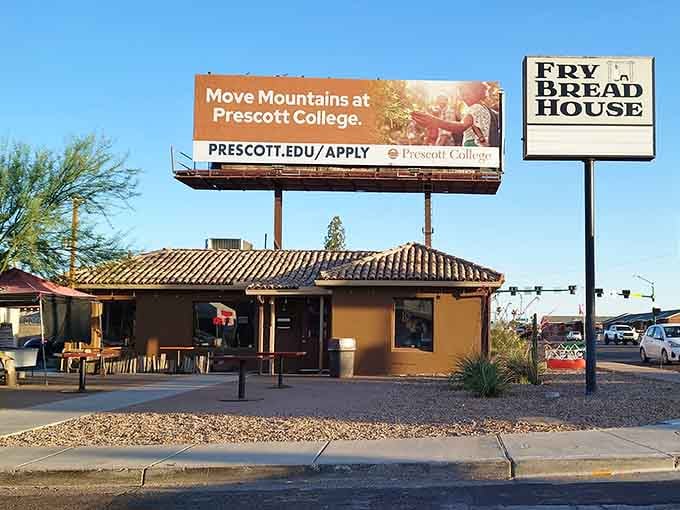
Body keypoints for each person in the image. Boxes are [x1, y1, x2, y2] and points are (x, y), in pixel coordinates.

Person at [411, 82, 495, 147]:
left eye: (467, 94)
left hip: (474, 147)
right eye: (462, 95)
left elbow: (461, 126)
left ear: (477, 92)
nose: (464, 98)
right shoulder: (483, 108)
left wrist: (433, 121)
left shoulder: (475, 108)